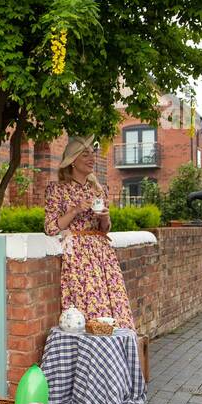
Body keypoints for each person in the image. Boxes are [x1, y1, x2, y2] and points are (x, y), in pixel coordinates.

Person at [43, 135, 135, 330]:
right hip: (79, 254)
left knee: (115, 302)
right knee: (90, 304)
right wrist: (75, 210)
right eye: (85, 155)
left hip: (103, 253)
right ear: (73, 160)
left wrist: (104, 217)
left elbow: (106, 229)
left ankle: (116, 354)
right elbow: (51, 227)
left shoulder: (98, 190)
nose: (91, 158)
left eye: (92, 154)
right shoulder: (57, 189)